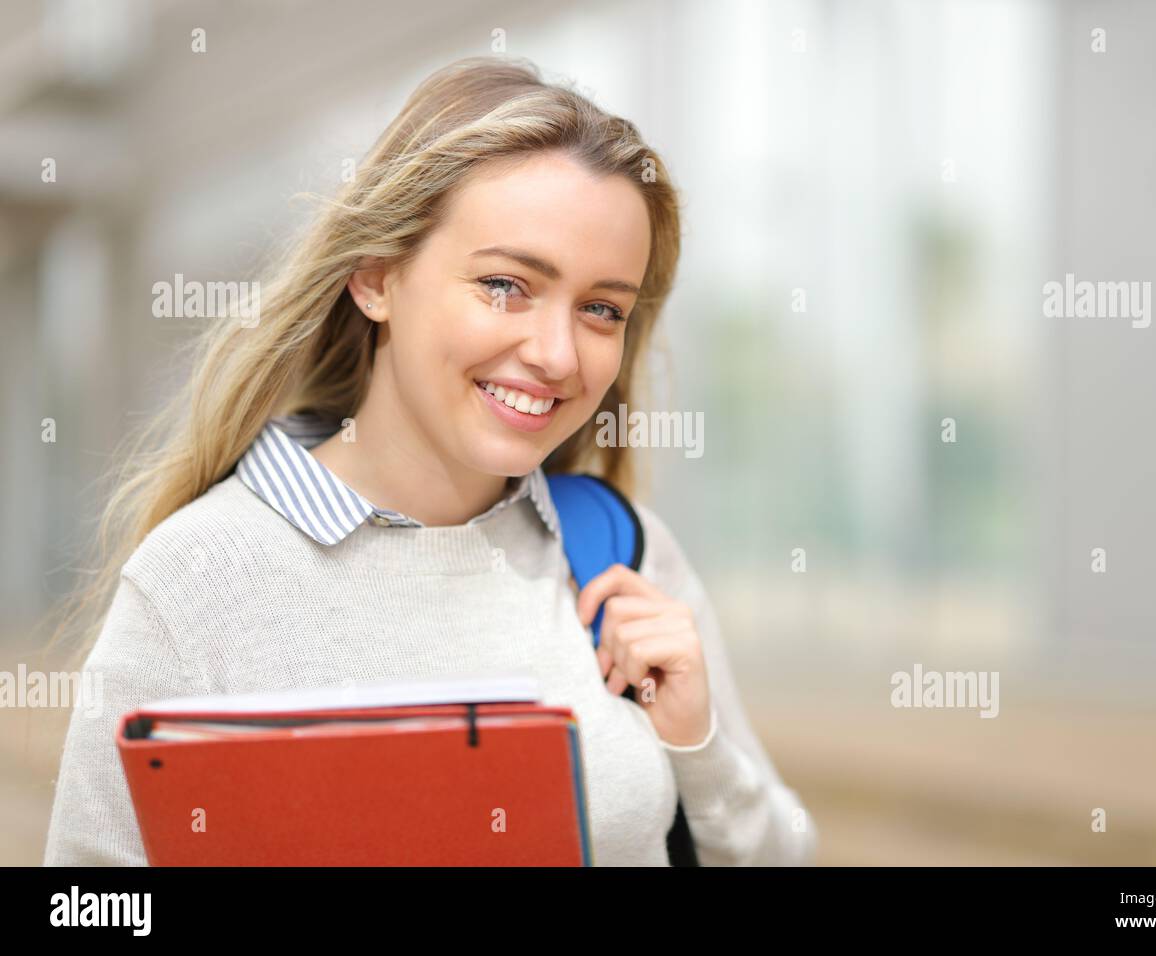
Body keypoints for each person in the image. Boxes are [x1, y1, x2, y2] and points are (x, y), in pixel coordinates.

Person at [41, 55, 818, 867]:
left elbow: (784, 855)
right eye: (506, 285)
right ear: (376, 278)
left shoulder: (628, 558)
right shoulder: (198, 581)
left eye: (600, 308)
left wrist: (701, 750)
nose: (557, 355)